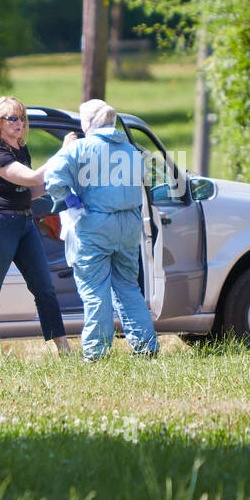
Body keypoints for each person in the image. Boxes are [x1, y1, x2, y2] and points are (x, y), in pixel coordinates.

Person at [45, 99, 159, 361]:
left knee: (95, 290)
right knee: (128, 287)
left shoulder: (81, 148)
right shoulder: (131, 150)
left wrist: (70, 200)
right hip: (129, 225)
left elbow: (53, 177)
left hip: (95, 225)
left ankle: (96, 354)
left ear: (88, 123)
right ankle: (146, 346)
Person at [0, 96, 72, 363]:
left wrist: (57, 185)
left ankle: (62, 347)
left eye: (22, 118)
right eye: (12, 118)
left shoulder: (20, 150)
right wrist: (63, 152)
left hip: (24, 222)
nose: (19, 123)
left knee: (44, 287)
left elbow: (31, 190)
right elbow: (32, 177)